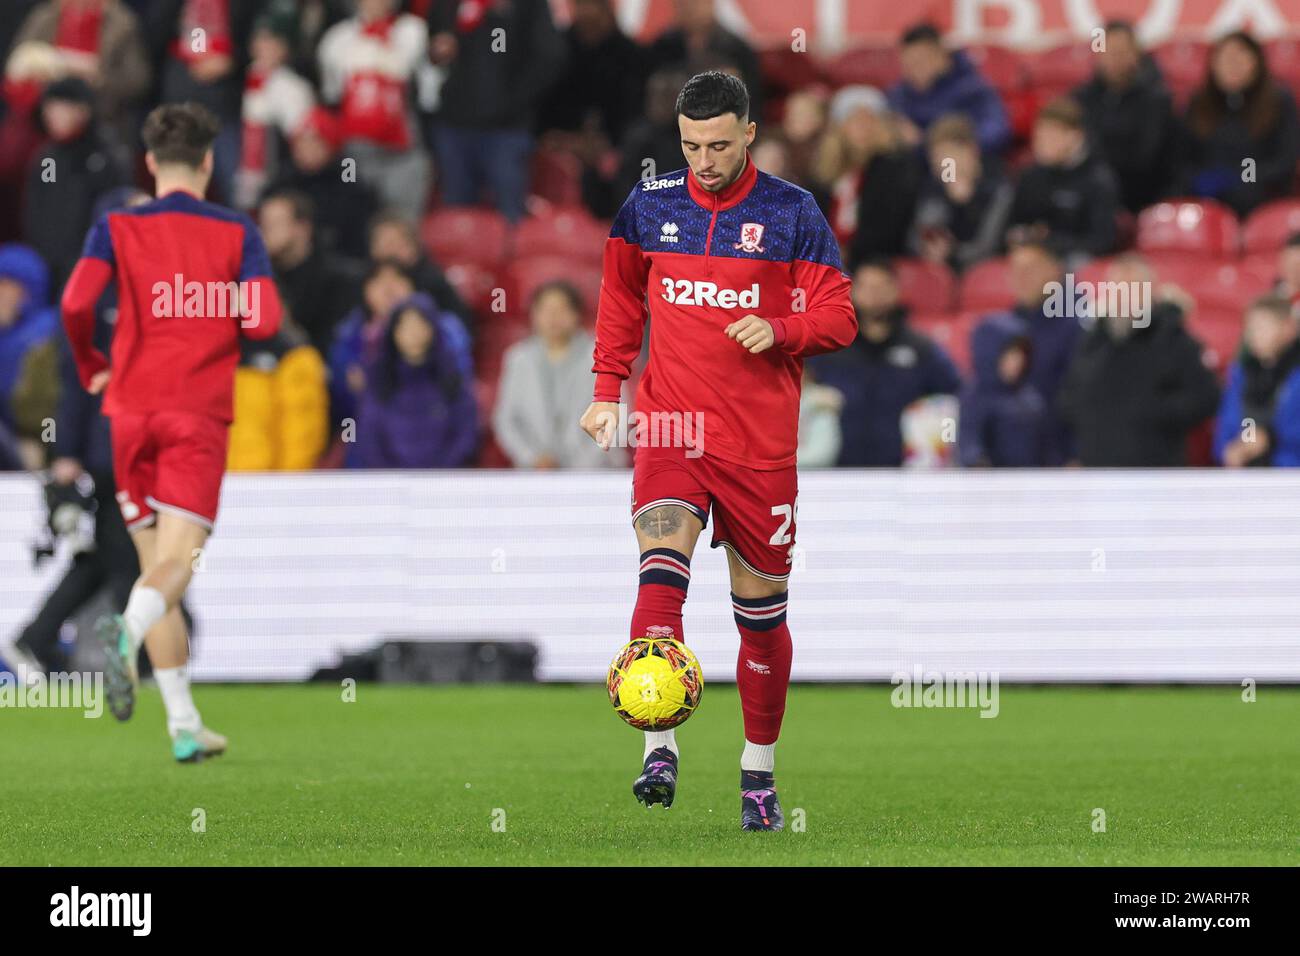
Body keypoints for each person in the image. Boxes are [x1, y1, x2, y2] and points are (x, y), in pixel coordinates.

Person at [579, 71, 856, 830]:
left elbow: (840, 316)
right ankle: (658, 743)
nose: (704, 161)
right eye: (692, 146)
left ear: (749, 134)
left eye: (719, 145)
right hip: (670, 428)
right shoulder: (650, 205)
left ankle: (758, 773)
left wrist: (784, 330)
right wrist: (608, 390)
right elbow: (619, 299)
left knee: (759, 619)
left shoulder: (792, 212)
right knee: (660, 564)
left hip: (757, 448)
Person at [60, 102, 282, 762]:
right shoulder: (236, 231)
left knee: (157, 568)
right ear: (210, 161)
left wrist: (92, 363)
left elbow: (75, 303)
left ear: (151, 162)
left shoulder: (116, 225)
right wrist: (215, 307)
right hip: (194, 411)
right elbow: (266, 322)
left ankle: (183, 723)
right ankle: (124, 634)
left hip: (128, 414)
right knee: (178, 566)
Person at [1059, 256, 1220, 467]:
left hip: (1155, 471)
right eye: (1117, 289)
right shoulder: (1092, 342)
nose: (1124, 298)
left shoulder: (1173, 339)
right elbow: (1068, 398)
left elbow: (1205, 397)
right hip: (1096, 470)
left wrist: (1153, 413)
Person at [809, 260, 962, 466]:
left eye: (880, 287)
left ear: (895, 290)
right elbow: (800, 394)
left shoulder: (921, 349)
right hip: (838, 473)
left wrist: (944, 446)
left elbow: (954, 401)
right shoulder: (829, 347)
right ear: (852, 291)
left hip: (903, 475)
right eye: (866, 287)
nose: (873, 295)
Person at [427, 0, 563, 223]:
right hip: (454, 125)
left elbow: (551, 56)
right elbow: (433, 46)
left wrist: (512, 100)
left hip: (506, 131)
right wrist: (437, 51)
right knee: (457, 221)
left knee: (509, 219)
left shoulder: (530, 5)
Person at [973, 241, 1080, 465]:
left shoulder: (1080, 325)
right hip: (1013, 459)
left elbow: (1085, 396)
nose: (1020, 278)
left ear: (1055, 270)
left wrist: (1076, 454)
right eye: (1014, 270)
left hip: (1060, 458)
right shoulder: (1004, 328)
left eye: (1030, 269)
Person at [494, 281, 616, 469]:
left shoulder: (603, 358)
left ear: (576, 314)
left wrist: (582, 466)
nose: (553, 317)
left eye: (562, 309)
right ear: (533, 315)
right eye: (545, 310)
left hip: (593, 473)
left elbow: (615, 417)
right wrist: (531, 458)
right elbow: (506, 420)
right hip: (534, 474)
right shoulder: (518, 359)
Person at [1179, 31, 1300, 217]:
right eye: (1226, 59)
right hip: (1207, 195)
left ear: (1256, 63)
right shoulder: (1199, 103)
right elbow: (1182, 156)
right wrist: (1198, 179)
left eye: (1241, 58)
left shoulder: (1278, 102)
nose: (1232, 65)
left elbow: (1285, 159)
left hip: (1260, 191)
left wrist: (1244, 177)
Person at [352, 293, 477, 469]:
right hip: (390, 487)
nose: (414, 333)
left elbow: (465, 435)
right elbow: (368, 439)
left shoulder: (452, 379)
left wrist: (440, 474)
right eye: (405, 326)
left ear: (433, 329)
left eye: (420, 325)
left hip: (444, 484)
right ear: (393, 333)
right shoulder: (378, 380)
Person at [1072, 19, 1175, 213]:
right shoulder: (1081, 98)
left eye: (1122, 50)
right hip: (1089, 196)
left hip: (1142, 196)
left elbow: (1146, 157)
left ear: (1136, 54)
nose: (1115, 58)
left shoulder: (1157, 100)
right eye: (1108, 51)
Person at [1007, 97, 1119, 263]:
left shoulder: (1097, 180)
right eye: (1039, 136)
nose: (1041, 143)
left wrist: (1051, 243)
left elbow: (1102, 241)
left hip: (1073, 260)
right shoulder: (1030, 177)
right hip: (1034, 257)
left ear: (1075, 137)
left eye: (1051, 135)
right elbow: (1014, 224)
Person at [908, 112, 1013, 272]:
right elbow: (917, 236)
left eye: (947, 155)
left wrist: (952, 254)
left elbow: (989, 246)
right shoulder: (935, 187)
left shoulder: (998, 186)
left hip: (981, 274)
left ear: (971, 150)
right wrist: (929, 248)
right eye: (935, 157)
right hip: (935, 271)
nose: (940, 164)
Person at [887, 22, 1010, 155]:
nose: (915, 71)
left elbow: (996, 132)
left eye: (921, 62)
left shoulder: (973, 90)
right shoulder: (898, 96)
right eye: (908, 65)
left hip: (958, 167)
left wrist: (930, 142)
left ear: (942, 56)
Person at [1215, 295, 1300, 467]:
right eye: (1250, 328)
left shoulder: (1295, 376)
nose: (1254, 335)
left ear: (1288, 328)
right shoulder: (1241, 374)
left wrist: (1269, 439)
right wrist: (1235, 449)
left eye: (1262, 327)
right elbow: (1229, 425)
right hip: (1248, 477)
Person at [958, 313, 1048, 466]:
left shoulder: (1031, 397)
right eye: (1009, 354)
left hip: (1033, 483)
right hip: (994, 485)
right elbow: (968, 441)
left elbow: (1047, 444)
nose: (1017, 362)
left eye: (1021, 354)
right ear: (989, 354)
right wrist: (978, 464)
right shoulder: (974, 398)